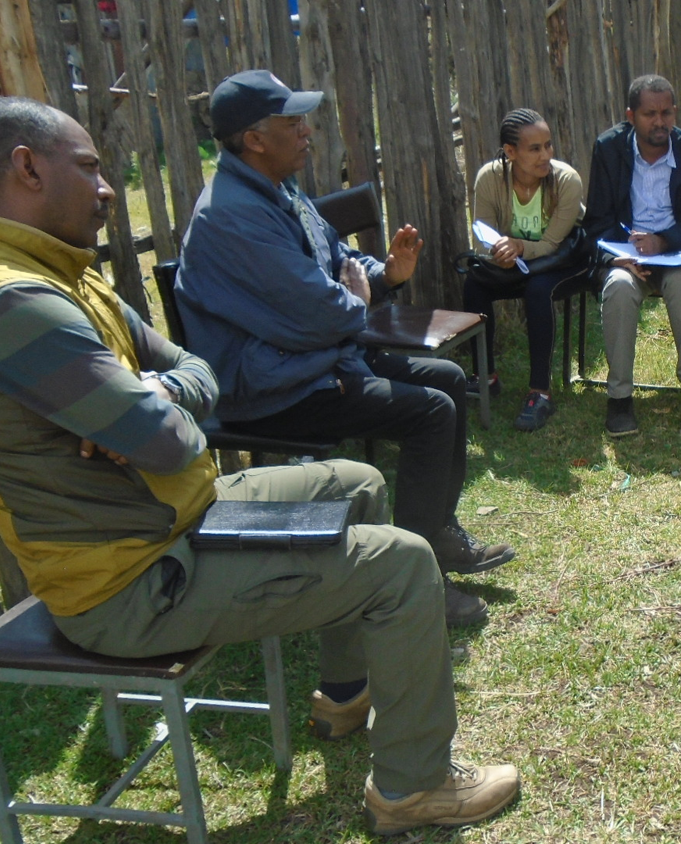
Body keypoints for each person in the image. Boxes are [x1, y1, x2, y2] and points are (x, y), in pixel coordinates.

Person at [0, 97, 519, 836]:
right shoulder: (14, 303)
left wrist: (157, 394)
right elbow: (175, 443)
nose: (109, 186)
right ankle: (414, 785)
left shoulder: (62, 277)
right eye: (89, 167)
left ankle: (345, 696)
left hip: (174, 521)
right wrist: (155, 411)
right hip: (131, 582)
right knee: (400, 564)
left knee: (359, 483)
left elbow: (193, 372)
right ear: (26, 168)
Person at [175, 71, 509, 627]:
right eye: (293, 122)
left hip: (313, 357)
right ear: (254, 139)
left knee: (447, 380)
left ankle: (438, 536)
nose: (307, 131)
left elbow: (341, 266)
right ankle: (419, 577)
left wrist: (387, 275)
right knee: (431, 411)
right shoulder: (231, 214)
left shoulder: (279, 188)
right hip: (273, 385)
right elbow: (321, 310)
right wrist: (356, 298)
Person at [581, 74, 681, 437]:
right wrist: (616, 258)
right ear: (630, 116)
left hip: (679, 254)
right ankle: (620, 397)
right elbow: (597, 221)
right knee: (619, 288)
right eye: (649, 114)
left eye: (667, 113)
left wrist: (664, 241)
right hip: (629, 256)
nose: (660, 122)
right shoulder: (609, 149)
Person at [463, 108, 589, 432]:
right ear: (510, 152)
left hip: (563, 261)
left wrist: (518, 246)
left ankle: (540, 392)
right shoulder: (489, 179)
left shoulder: (566, 181)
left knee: (538, 290)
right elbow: (482, 236)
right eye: (535, 148)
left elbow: (550, 244)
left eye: (548, 145)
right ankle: (485, 376)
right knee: (474, 284)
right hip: (517, 265)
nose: (546, 155)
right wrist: (498, 253)